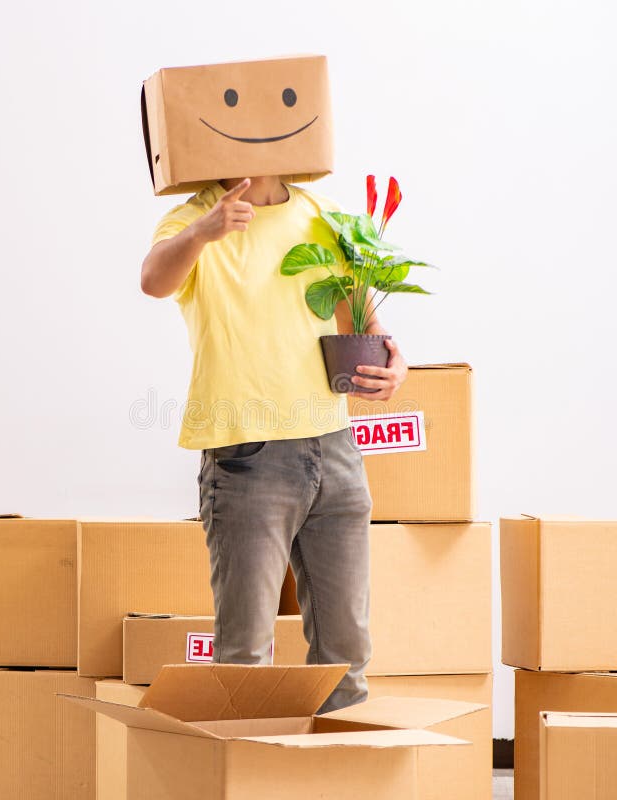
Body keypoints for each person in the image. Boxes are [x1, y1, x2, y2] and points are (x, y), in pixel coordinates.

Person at [141, 174, 407, 712]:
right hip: (248, 455)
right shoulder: (199, 216)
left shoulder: (324, 215)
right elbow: (153, 280)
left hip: (333, 447)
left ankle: (338, 785)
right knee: (244, 656)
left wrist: (393, 362)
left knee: (347, 652)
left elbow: (362, 319)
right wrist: (202, 234)